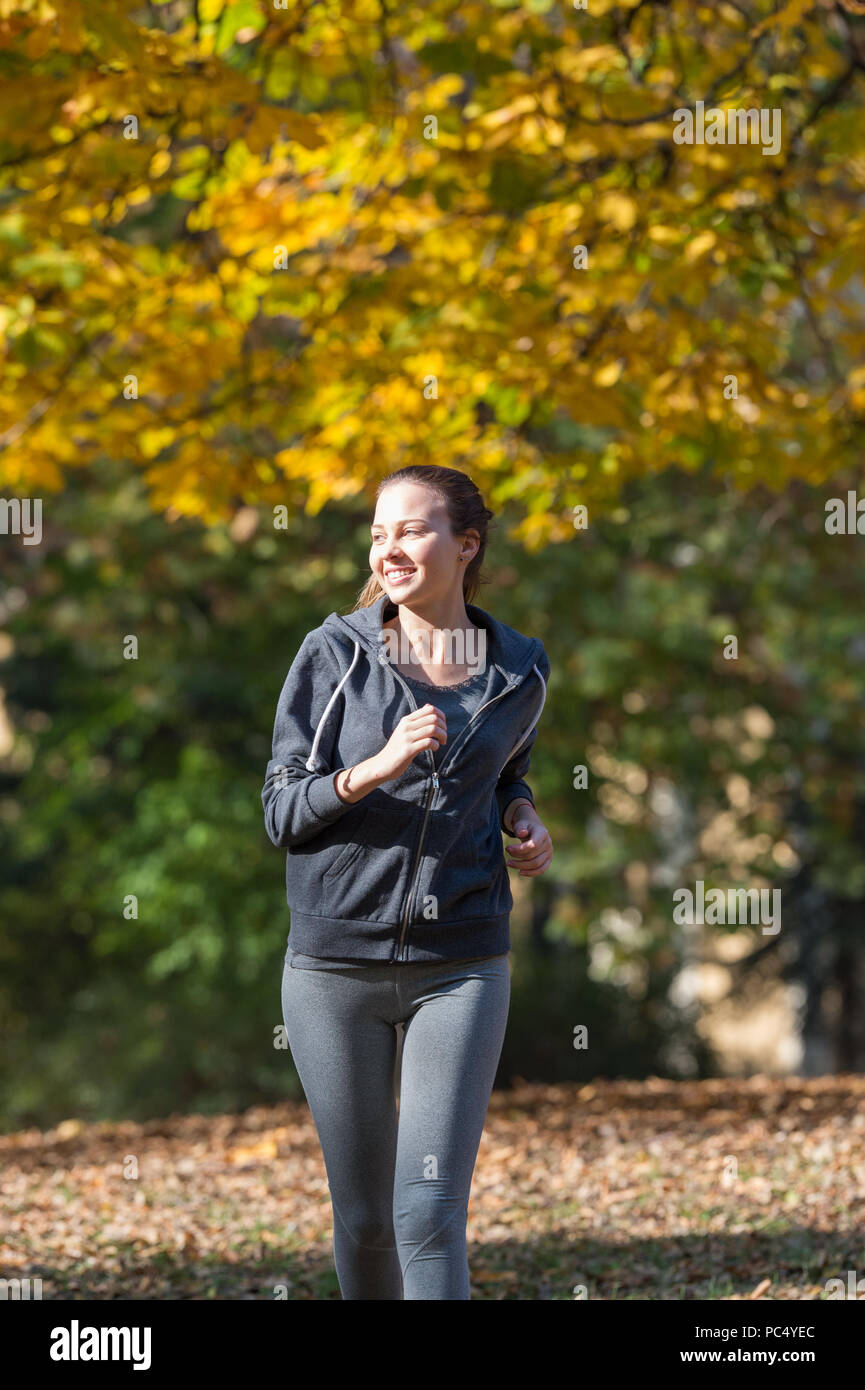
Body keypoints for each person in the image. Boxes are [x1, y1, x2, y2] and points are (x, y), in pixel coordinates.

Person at [261, 464, 553, 1299]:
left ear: (466, 545)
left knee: (425, 1210)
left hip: (460, 961)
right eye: (379, 532)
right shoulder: (334, 656)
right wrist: (374, 766)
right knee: (362, 1219)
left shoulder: (519, 672)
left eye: (412, 530)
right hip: (333, 969)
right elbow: (281, 811)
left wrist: (520, 816)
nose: (389, 549)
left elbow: (505, 771)